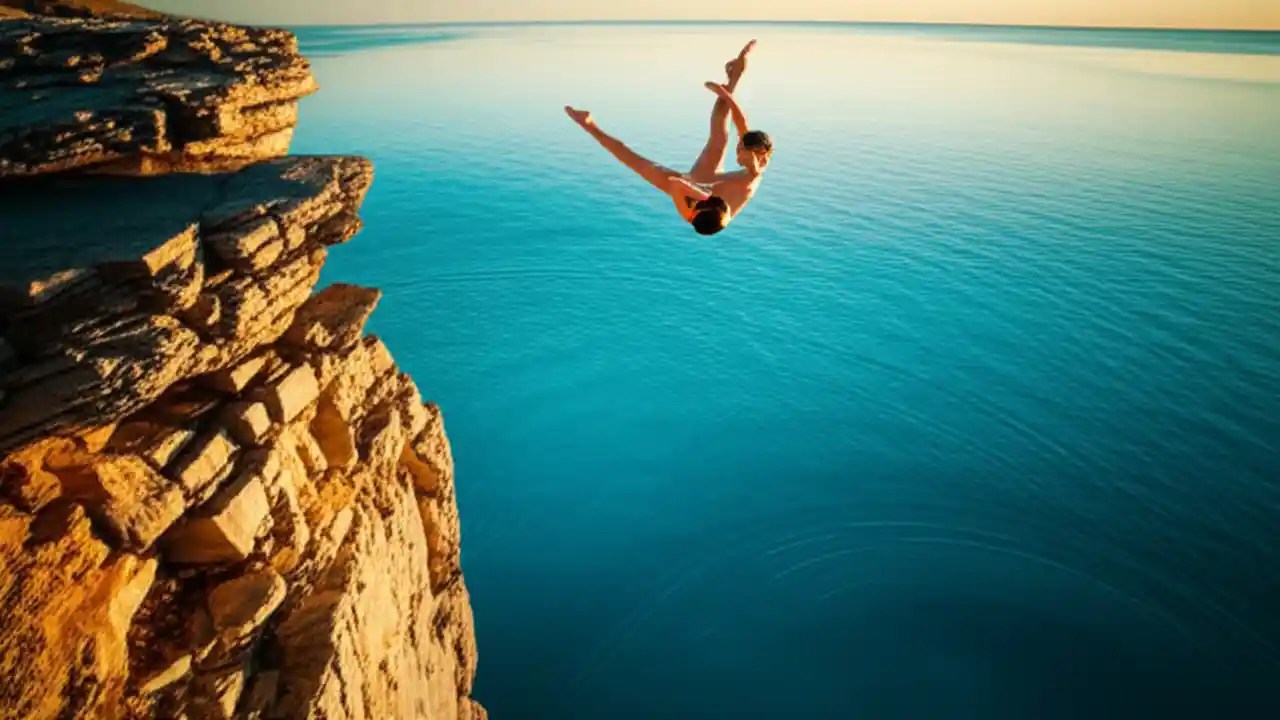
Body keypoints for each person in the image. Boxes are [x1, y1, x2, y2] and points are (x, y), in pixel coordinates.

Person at [564, 40, 773, 236]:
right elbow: (740, 120)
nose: (737, 153)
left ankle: (588, 124)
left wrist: (699, 193)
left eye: (742, 152)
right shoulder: (751, 149)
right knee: (720, 133)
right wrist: (727, 90)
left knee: (635, 161)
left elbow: (675, 182)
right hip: (706, 182)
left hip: (696, 195)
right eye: (740, 149)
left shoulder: (699, 206)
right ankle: (733, 74)